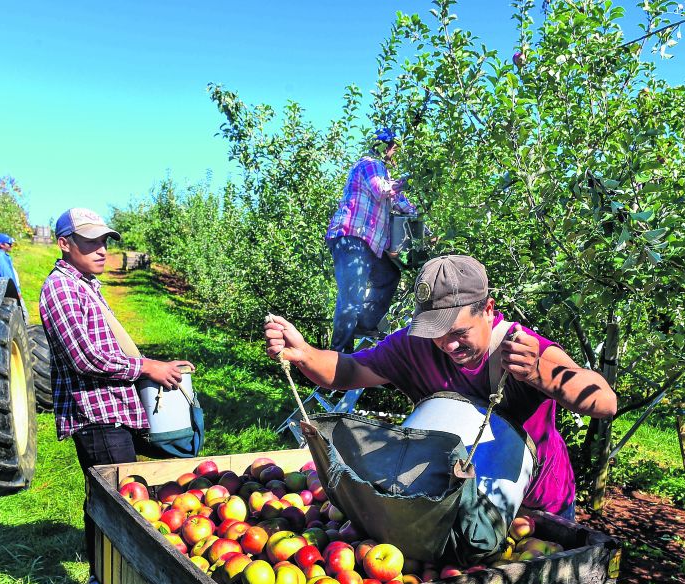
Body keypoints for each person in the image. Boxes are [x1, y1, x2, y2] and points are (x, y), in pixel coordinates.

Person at [264, 255, 617, 519]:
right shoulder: (414, 346)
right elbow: (352, 370)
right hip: (446, 504)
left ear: (488, 309)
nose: (447, 345)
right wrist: (304, 354)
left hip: (535, 508)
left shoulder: (520, 348)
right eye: (436, 332)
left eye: (458, 332)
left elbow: (604, 401)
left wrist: (541, 373)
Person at [39, 207, 192, 473]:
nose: (102, 250)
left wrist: (155, 364)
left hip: (111, 413)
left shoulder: (83, 284)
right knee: (117, 501)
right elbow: (85, 358)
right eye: (90, 242)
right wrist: (147, 368)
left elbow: (107, 347)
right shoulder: (62, 288)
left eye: (103, 242)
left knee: (112, 501)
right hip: (96, 416)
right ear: (64, 243)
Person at [325, 126, 416, 353]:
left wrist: (428, 228)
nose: (395, 154)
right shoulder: (369, 163)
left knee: (389, 274)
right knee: (351, 297)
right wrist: (409, 179)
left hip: (368, 245)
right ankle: (339, 355)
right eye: (394, 148)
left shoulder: (384, 174)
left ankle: (364, 325)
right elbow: (382, 189)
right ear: (386, 147)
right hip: (351, 238)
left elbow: (402, 204)